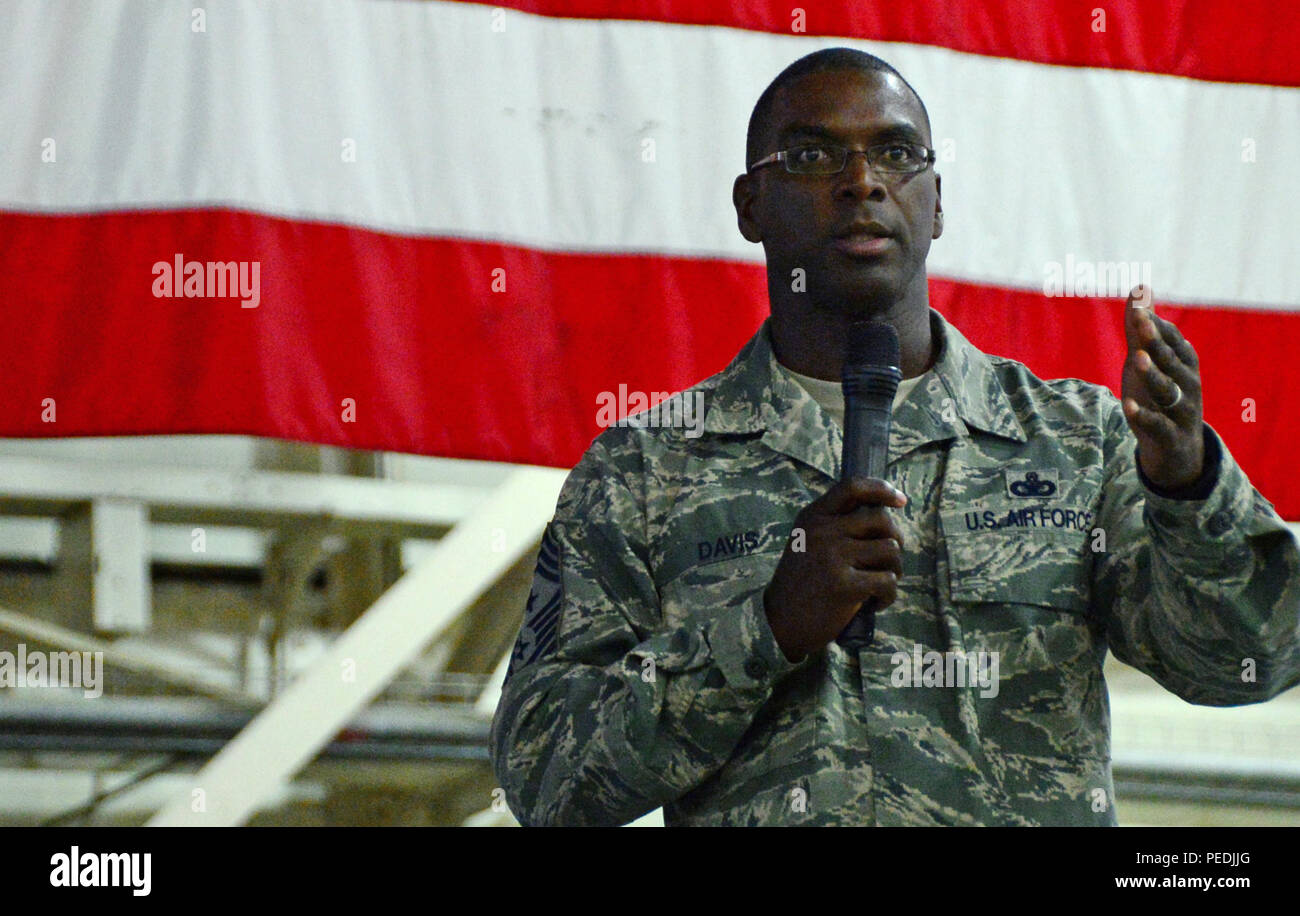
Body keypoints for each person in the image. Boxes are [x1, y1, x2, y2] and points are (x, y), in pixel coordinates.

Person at [490, 47, 1300, 826]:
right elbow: (546, 781)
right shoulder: (643, 471)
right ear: (749, 207)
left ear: (937, 201)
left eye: (896, 153)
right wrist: (766, 629)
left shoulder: (1075, 442)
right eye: (811, 156)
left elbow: (1250, 660)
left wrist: (1189, 489)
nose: (861, 183)